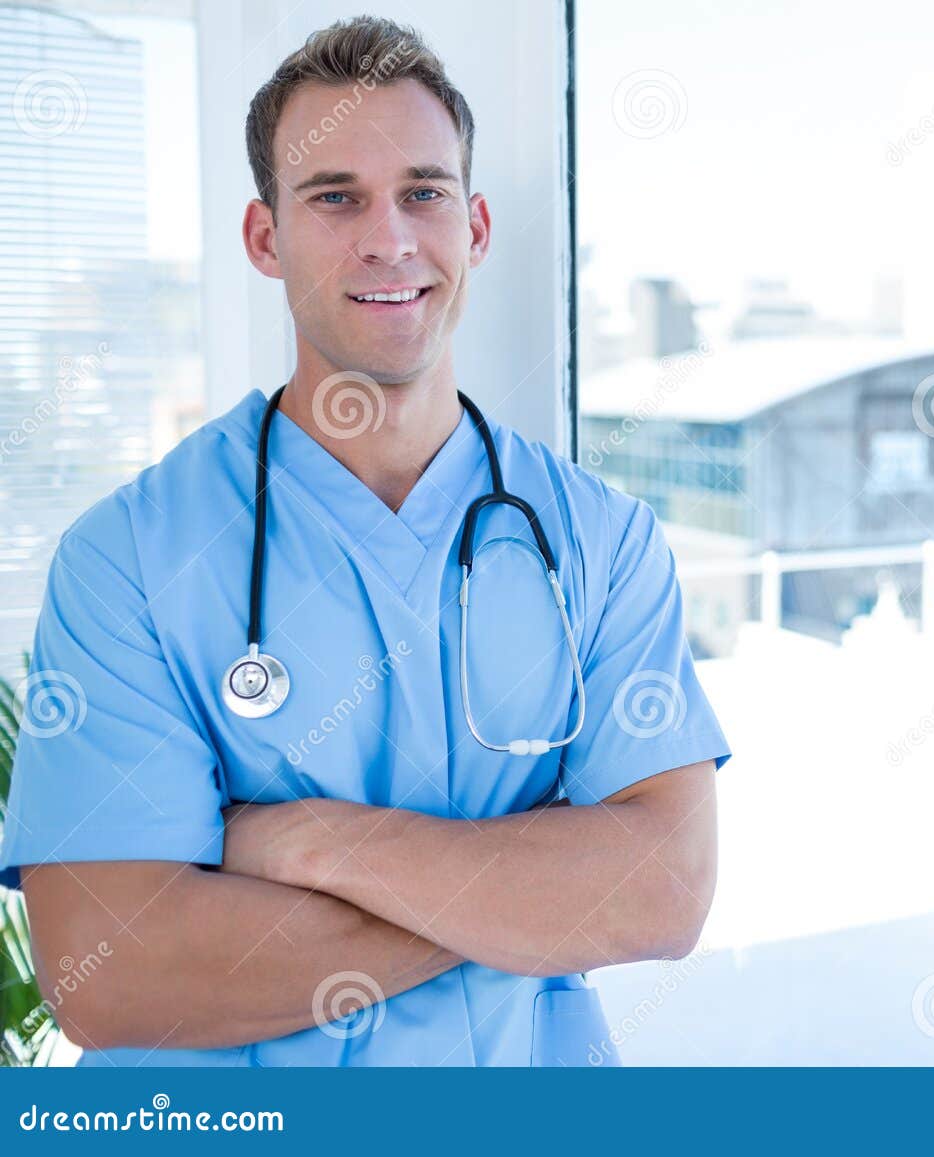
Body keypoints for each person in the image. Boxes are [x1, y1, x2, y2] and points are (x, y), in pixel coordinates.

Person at [0, 16, 730, 1067]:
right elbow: (108, 975)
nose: (389, 238)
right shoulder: (127, 558)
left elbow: (663, 891)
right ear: (266, 239)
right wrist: (529, 895)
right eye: (335, 197)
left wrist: (306, 840)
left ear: (476, 225)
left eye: (423, 192)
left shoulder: (604, 540)